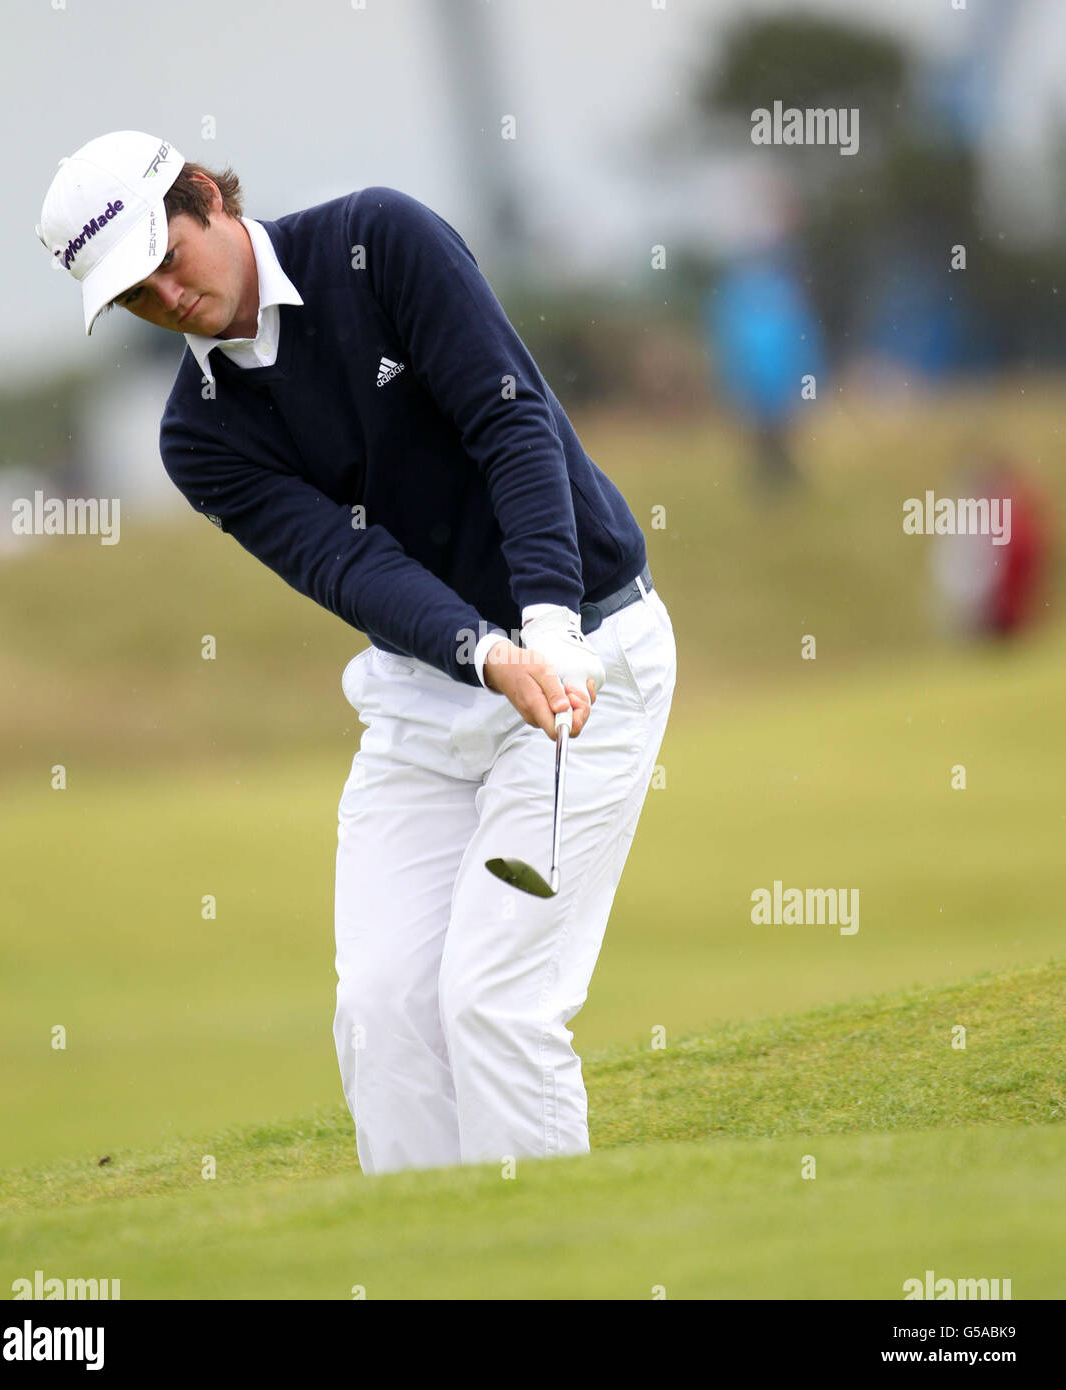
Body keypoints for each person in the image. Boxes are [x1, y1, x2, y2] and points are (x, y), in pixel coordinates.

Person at [36, 131, 677, 1176]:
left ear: (202, 195)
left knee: (494, 999)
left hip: (590, 651)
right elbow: (346, 565)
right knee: (381, 1010)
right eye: (132, 293)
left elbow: (510, 426)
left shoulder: (378, 242)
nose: (164, 294)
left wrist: (545, 634)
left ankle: (561, 1263)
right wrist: (484, 655)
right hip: (426, 694)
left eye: (166, 256)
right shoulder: (199, 435)